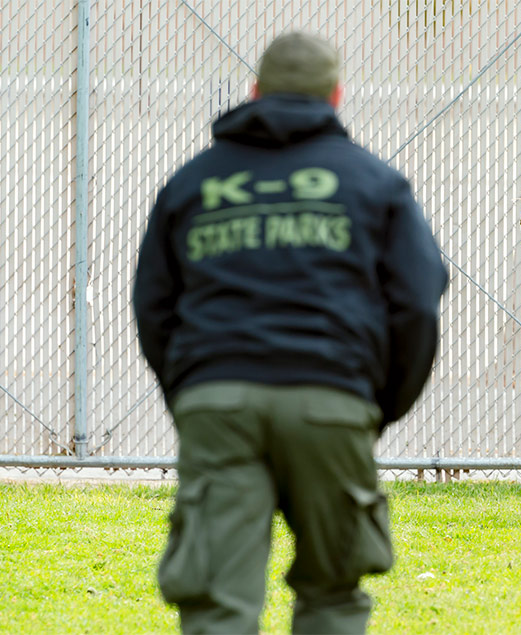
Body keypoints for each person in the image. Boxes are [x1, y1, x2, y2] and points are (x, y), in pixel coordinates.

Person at [133, 32, 448, 634]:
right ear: (336, 96)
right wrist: (374, 404)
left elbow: (153, 303)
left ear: (255, 92)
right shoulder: (374, 183)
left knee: (216, 601)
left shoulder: (192, 182)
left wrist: (194, 390)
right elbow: (416, 302)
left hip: (217, 398)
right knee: (332, 591)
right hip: (332, 395)